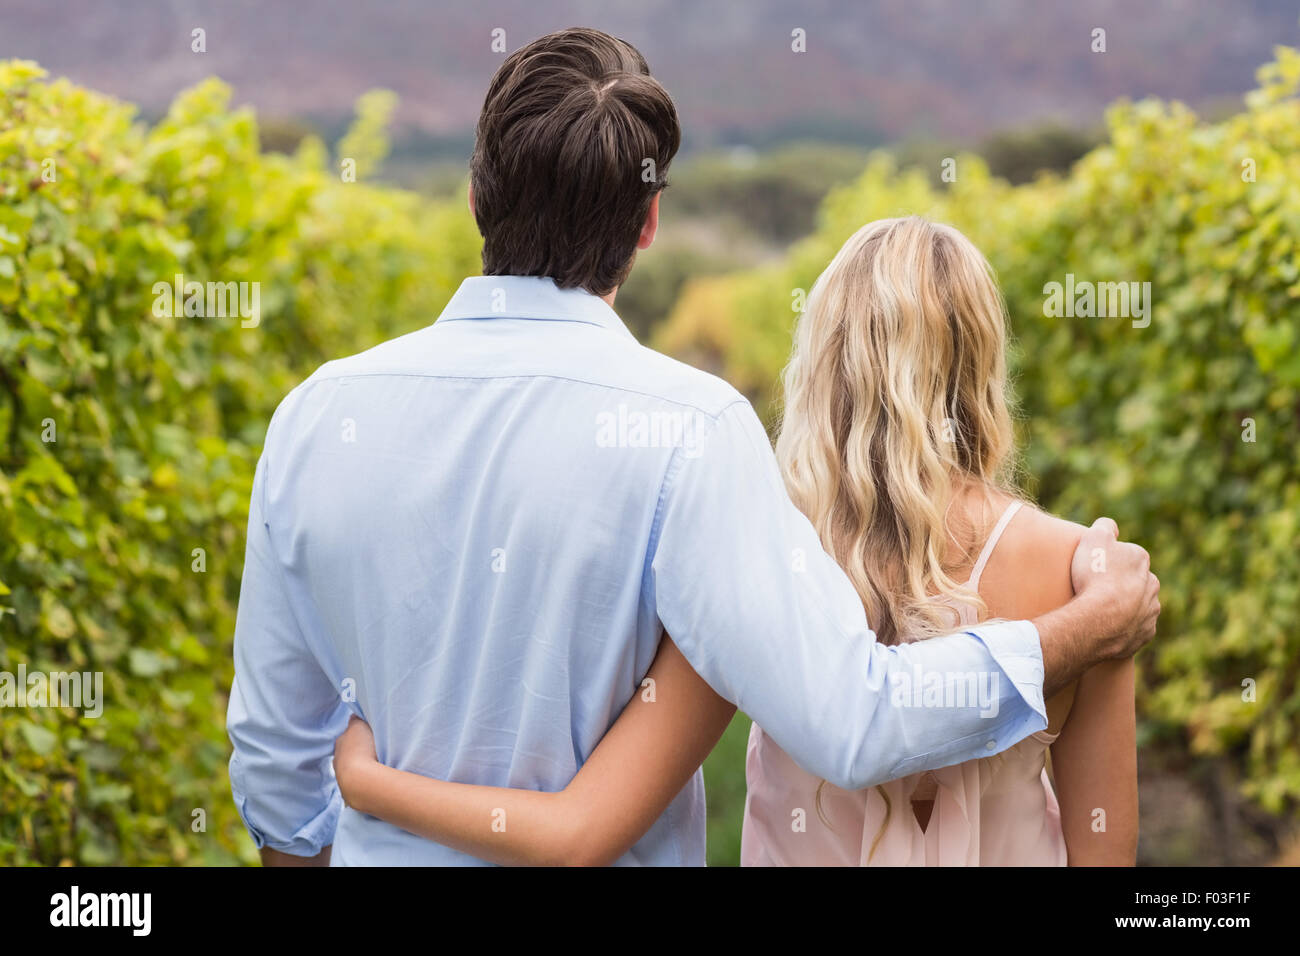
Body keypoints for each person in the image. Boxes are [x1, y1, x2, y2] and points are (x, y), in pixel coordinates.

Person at [228, 28, 1159, 867]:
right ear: (648, 224)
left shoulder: (312, 417)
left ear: (477, 197)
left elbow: (279, 767)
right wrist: (1080, 630)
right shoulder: (690, 430)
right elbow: (853, 721)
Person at [331, 217, 1141, 866]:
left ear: (821, 364)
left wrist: (369, 784)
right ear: (984, 363)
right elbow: (1106, 852)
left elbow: (576, 831)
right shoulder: (1091, 582)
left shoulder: (755, 557)